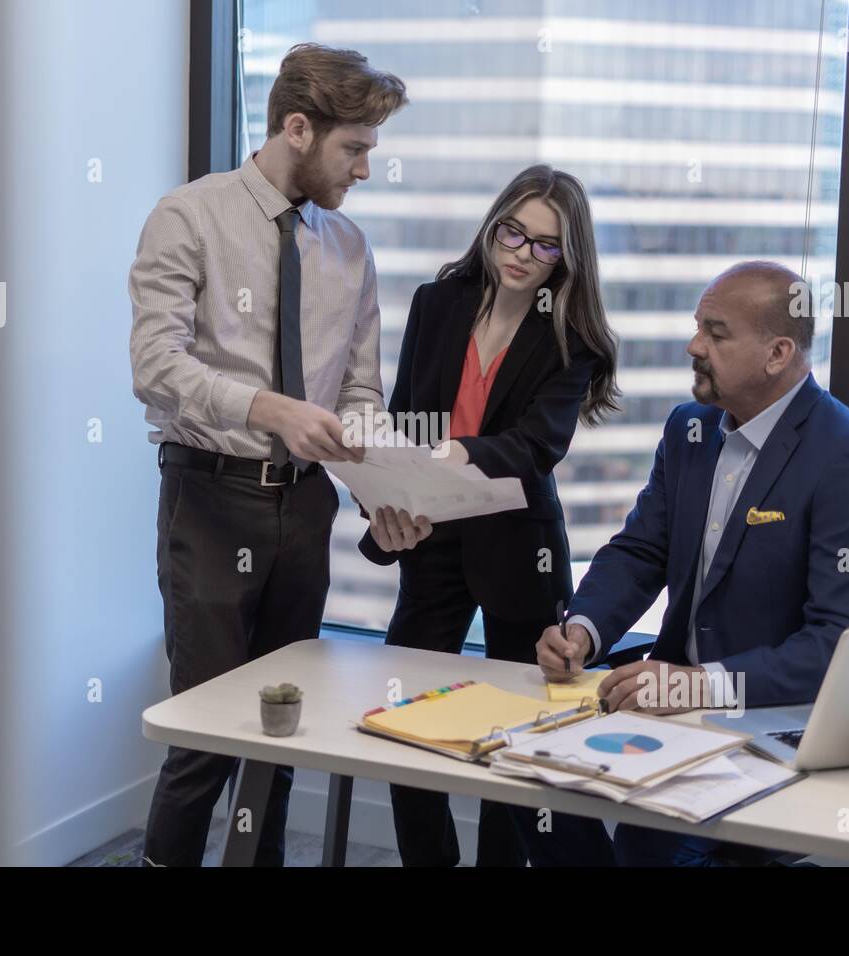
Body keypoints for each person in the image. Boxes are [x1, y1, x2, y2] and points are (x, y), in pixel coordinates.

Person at [522, 259, 849, 866]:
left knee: (654, 842)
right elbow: (642, 550)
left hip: (771, 725)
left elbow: (839, 645)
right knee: (527, 782)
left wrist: (695, 684)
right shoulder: (689, 429)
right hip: (674, 715)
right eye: (698, 325)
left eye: (716, 333)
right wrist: (584, 629)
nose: (693, 345)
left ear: (778, 353)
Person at [128, 43, 407, 867]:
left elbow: (361, 399)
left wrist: (381, 485)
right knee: (207, 733)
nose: (363, 169)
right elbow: (155, 366)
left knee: (283, 730)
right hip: (209, 502)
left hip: (305, 507)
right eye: (354, 148)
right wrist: (268, 407)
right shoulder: (189, 216)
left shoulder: (350, 249)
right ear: (296, 128)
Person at [359, 165, 621, 866]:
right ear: (493, 223)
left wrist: (449, 454)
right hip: (434, 539)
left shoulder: (573, 340)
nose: (520, 253)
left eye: (544, 246)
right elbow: (406, 416)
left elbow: (536, 446)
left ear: (566, 261)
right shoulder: (438, 302)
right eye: (513, 231)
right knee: (404, 727)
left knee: (517, 743)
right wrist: (390, 484)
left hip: (520, 552)